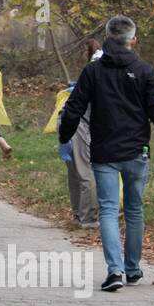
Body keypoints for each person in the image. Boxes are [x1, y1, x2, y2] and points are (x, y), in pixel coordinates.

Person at [58, 15, 154, 292]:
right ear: (133, 40)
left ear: (108, 36)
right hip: (136, 152)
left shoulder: (93, 72)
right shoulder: (144, 71)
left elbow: (73, 108)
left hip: (104, 151)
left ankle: (115, 270)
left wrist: (64, 137)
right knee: (134, 209)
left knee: (108, 210)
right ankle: (132, 269)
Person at [61, 38, 102, 228]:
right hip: (83, 127)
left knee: (80, 173)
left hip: (78, 126)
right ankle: (86, 217)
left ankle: (82, 215)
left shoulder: (93, 73)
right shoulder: (104, 75)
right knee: (83, 173)